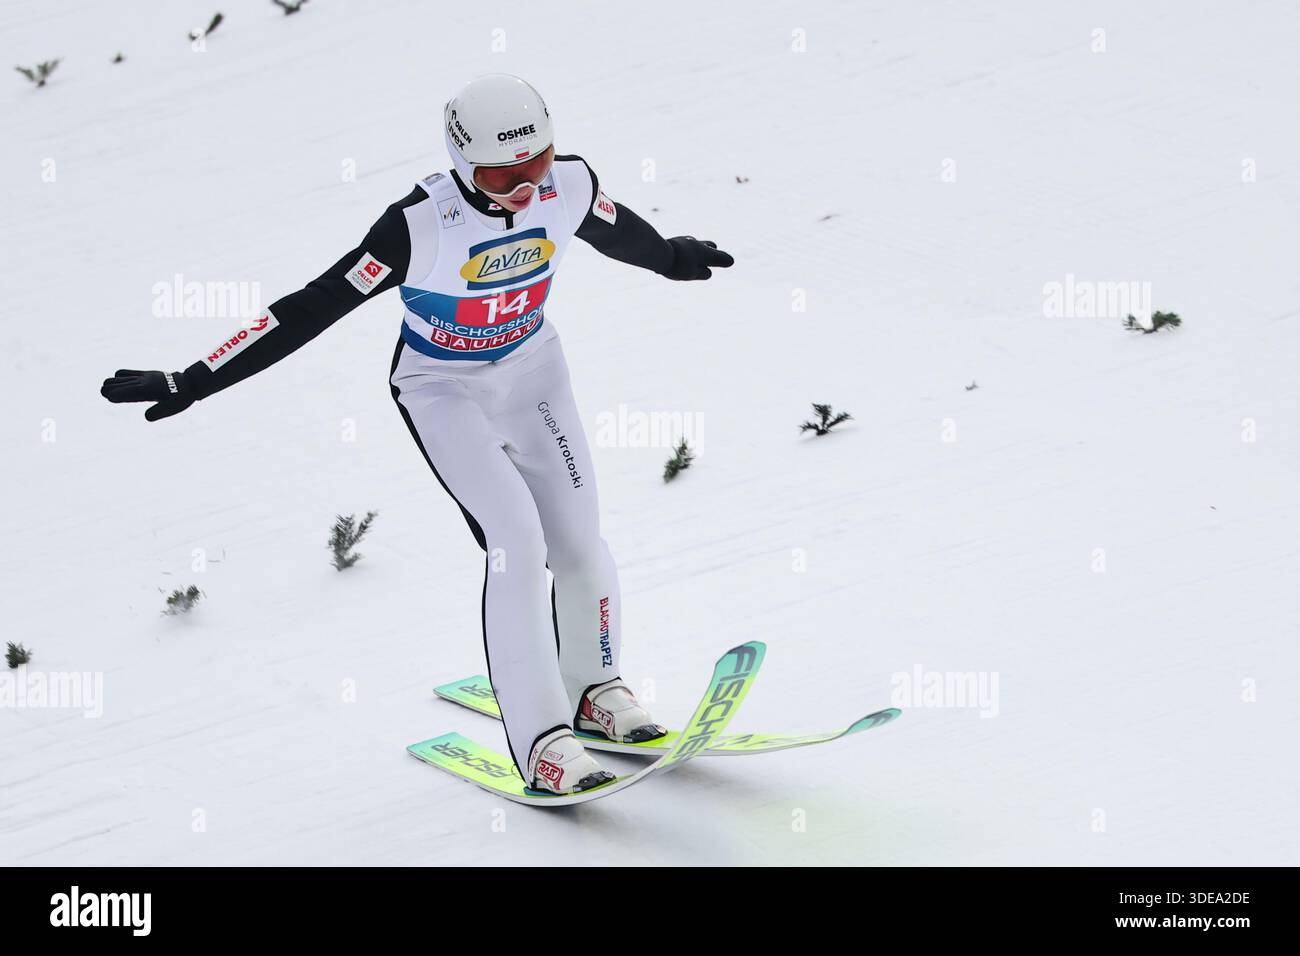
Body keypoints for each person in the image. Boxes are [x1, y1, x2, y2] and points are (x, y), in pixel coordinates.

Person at [101, 73, 734, 794]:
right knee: (517, 547)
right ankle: (543, 741)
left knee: (581, 540)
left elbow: (618, 230)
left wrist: (675, 257)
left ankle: (595, 690)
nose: (528, 190)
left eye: (537, 166)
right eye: (505, 177)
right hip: (442, 390)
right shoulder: (417, 225)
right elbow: (311, 306)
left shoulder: (569, 183)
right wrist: (194, 377)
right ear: (464, 164)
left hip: (534, 375)